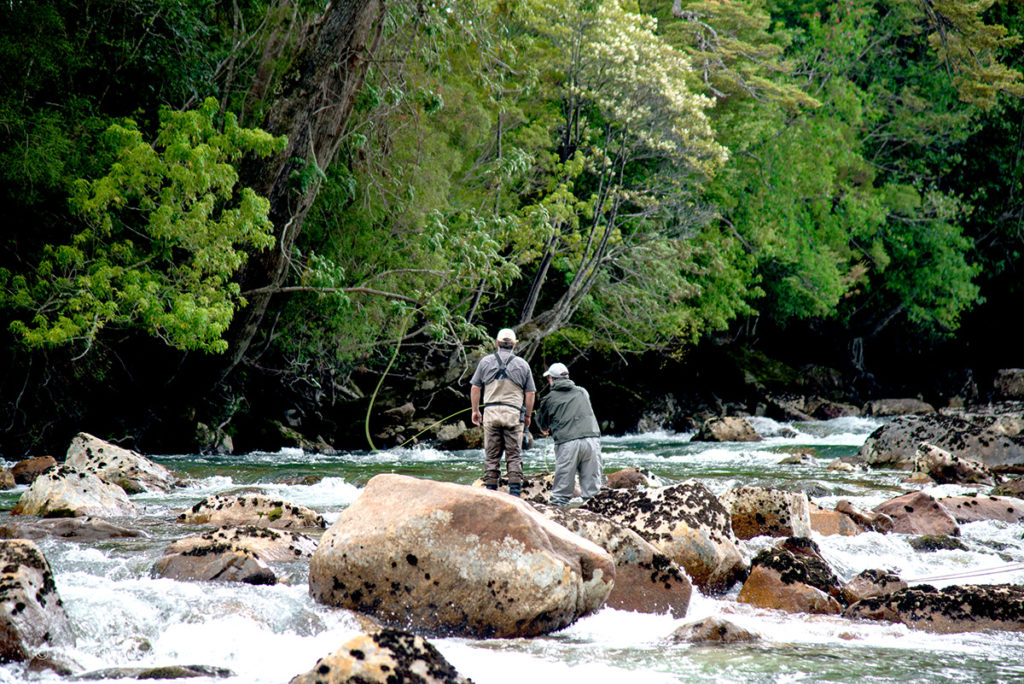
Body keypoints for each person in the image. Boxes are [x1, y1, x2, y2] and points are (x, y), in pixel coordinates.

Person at [469, 328, 536, 497]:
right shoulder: (523, 364)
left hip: (491, 414)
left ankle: (491, 494)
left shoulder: (485, 362)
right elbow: (531, 393)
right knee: (514, 456)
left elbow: (475, 387)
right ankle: (514, 495)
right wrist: (527, 416)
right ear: (514, 345)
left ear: (497, 343)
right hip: (513, 415)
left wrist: (475, 411)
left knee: (491, 457)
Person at [534, 362, 602, 506]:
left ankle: (558, 522)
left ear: (551, 380)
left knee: (561, 493)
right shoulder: (582, 392)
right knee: (592, 493)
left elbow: (542, 423)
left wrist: (544, 429)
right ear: (568, 376)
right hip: (592, 440)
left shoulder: (549, 399)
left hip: (567, 443)